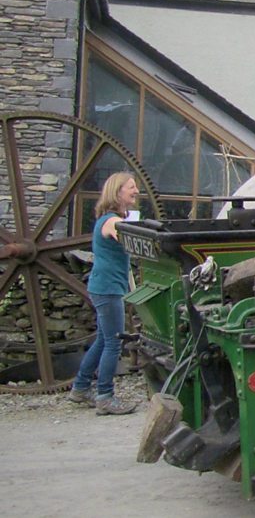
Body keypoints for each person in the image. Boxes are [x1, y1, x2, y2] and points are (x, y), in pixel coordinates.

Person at [67, 171, 140, 415]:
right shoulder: (111, 222)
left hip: (104, 286)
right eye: (131, 187)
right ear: (118, 191)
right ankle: (105, 397)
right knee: (114, 342)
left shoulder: (110, 219)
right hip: (108, 289)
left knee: (102, 339)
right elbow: (126, 239)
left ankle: (80, 388)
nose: (136, 191)